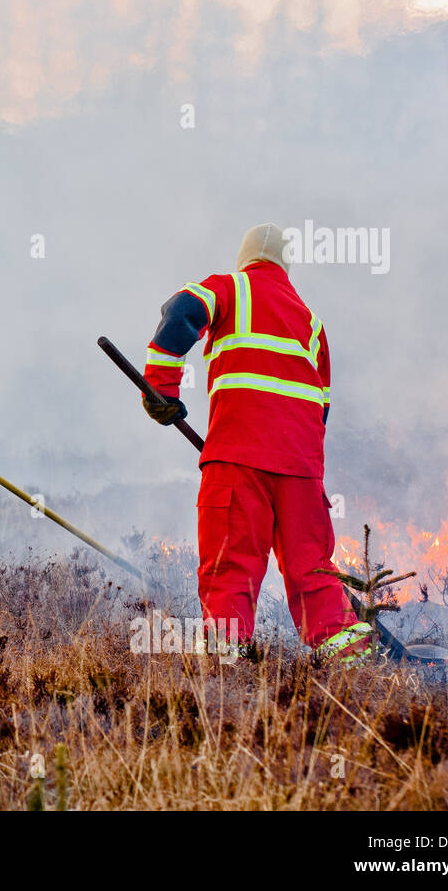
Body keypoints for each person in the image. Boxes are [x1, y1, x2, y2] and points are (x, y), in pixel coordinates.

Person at [141, 223, 373, 664]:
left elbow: (178, 315)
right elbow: (321, 410)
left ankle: (230, 683)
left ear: (244, 257)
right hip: (304, 473)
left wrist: (161, 389)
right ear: (286, 265)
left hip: (237, 461)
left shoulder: (228, 289)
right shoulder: (312, 324)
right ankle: (353, 672)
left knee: (230, 569)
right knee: (314, 573)